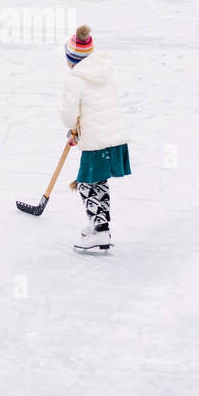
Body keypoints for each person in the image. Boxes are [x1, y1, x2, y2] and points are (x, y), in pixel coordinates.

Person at [59, 26, 131, 251]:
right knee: (98, 181)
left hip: (97, 141)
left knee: (86, 184)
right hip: (114, 138)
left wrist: (72, 127)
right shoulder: (104, 72)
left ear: (72, 59)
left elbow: (70, 113)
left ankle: (100, 232)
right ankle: (101, 228)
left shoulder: (75, 79)